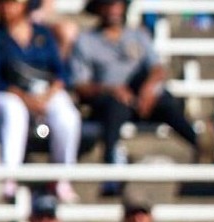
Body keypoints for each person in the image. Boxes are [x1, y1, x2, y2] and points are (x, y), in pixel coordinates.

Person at [72, 0, 201, 168]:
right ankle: (110, 160)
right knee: (114, 108)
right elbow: (80, 85)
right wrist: (112, 90)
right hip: (108, 102)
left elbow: (157, 69)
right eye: (109, 5)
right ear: (98, 8)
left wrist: (147, 90)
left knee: (165, 101)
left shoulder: (138, 35)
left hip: (142, 99)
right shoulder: (86, 40)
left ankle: (200, 144)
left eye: (117, 4)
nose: (114, 10)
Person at [0, 0, 81, 201]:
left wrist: (47, 95)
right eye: (4, 4)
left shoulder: (42, 33)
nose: (8, 8)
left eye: (14, 3)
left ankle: (62, 178)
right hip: (7, 94)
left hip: (43, 91)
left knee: (68, 117)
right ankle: (9, 177)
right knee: (14, 111)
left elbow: (60, 72)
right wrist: (24, 98)